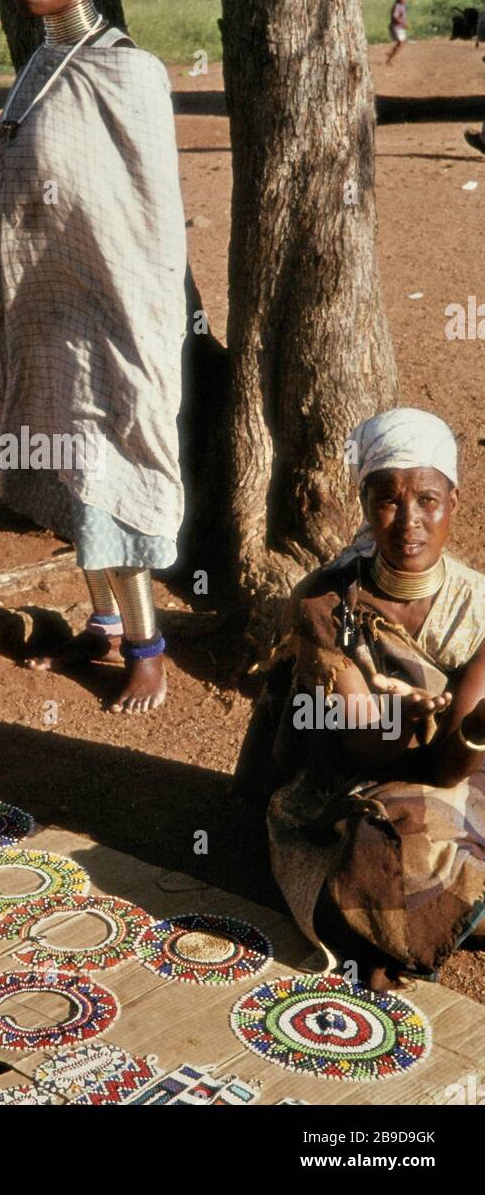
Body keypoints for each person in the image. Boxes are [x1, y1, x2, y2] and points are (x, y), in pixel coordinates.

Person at [0, 0, 188, 714]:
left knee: (111, 467)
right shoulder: (40, 64)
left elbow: (147, 213)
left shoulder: (130, 73)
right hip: (48, 310)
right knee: (72, 470)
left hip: (113, 314)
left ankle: (149, 648)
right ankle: (102, 620)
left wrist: (133, 309)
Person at [237, 408, 485, 989]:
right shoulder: (329, 604)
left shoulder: (477, 606)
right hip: (356, 776)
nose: (408, 522)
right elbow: (366, 747)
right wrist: (407, 718)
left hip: (459, 772)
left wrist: (466, 728)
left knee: (426, 834)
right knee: (378, 844)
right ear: (365, 504)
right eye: (388, 501)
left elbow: (455, 759)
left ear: (454, 501)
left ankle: (419, 915)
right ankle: (412, 916)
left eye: (427, 500)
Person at [386, 0, 408, 65]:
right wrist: (403, 23)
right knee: (401, 43)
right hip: (396, 27)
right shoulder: (397, 6)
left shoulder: (403, 4)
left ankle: (392, 53)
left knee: (402, 42)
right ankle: (390, 59)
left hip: (400, 27)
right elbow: (394, 16)